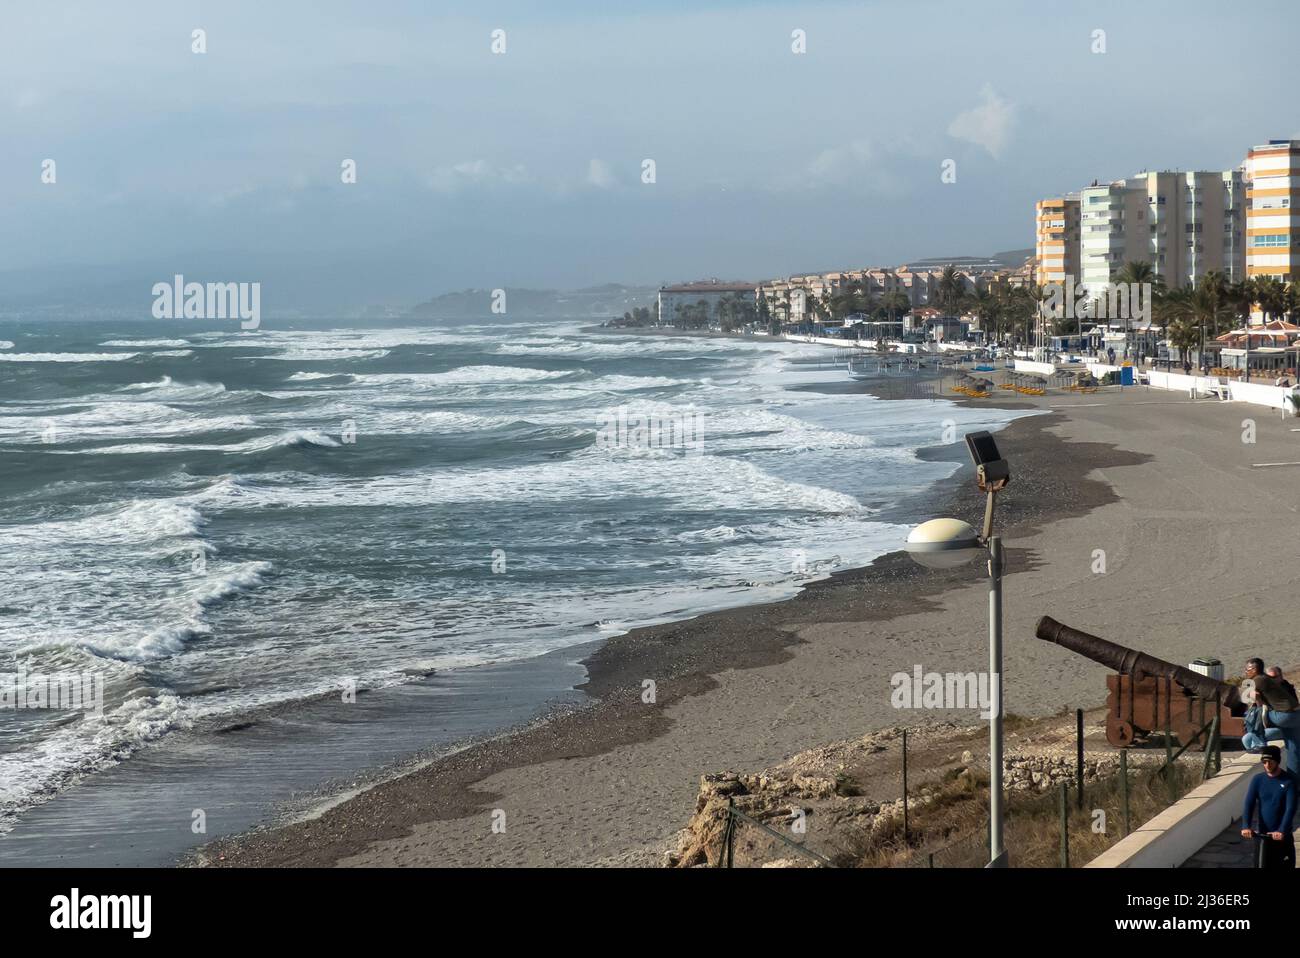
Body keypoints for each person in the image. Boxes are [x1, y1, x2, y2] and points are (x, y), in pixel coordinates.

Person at [1240, 745, 1298, 868]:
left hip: (1282, 837)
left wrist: (1282, 830)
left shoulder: (1289, 781)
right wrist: (1246, 825)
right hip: (1262, 835)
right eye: (1264, 762)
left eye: (1270, 762)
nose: (1267, 765)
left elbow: (1290, 808)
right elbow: (1249, 803)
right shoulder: (1258, 780)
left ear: (1277, 761)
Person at [1246, 658, 1300, 773]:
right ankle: (1295, 782)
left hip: (1284, 716)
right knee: (1293, 750)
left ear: (1255, 669)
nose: (1246, 672)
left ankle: (1260, 742)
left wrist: (1254, 697)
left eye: (1248, 669)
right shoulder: (1267, 679)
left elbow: (1246, 698)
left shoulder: (1258, 680)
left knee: (1253, 714)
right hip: (1296, 715)